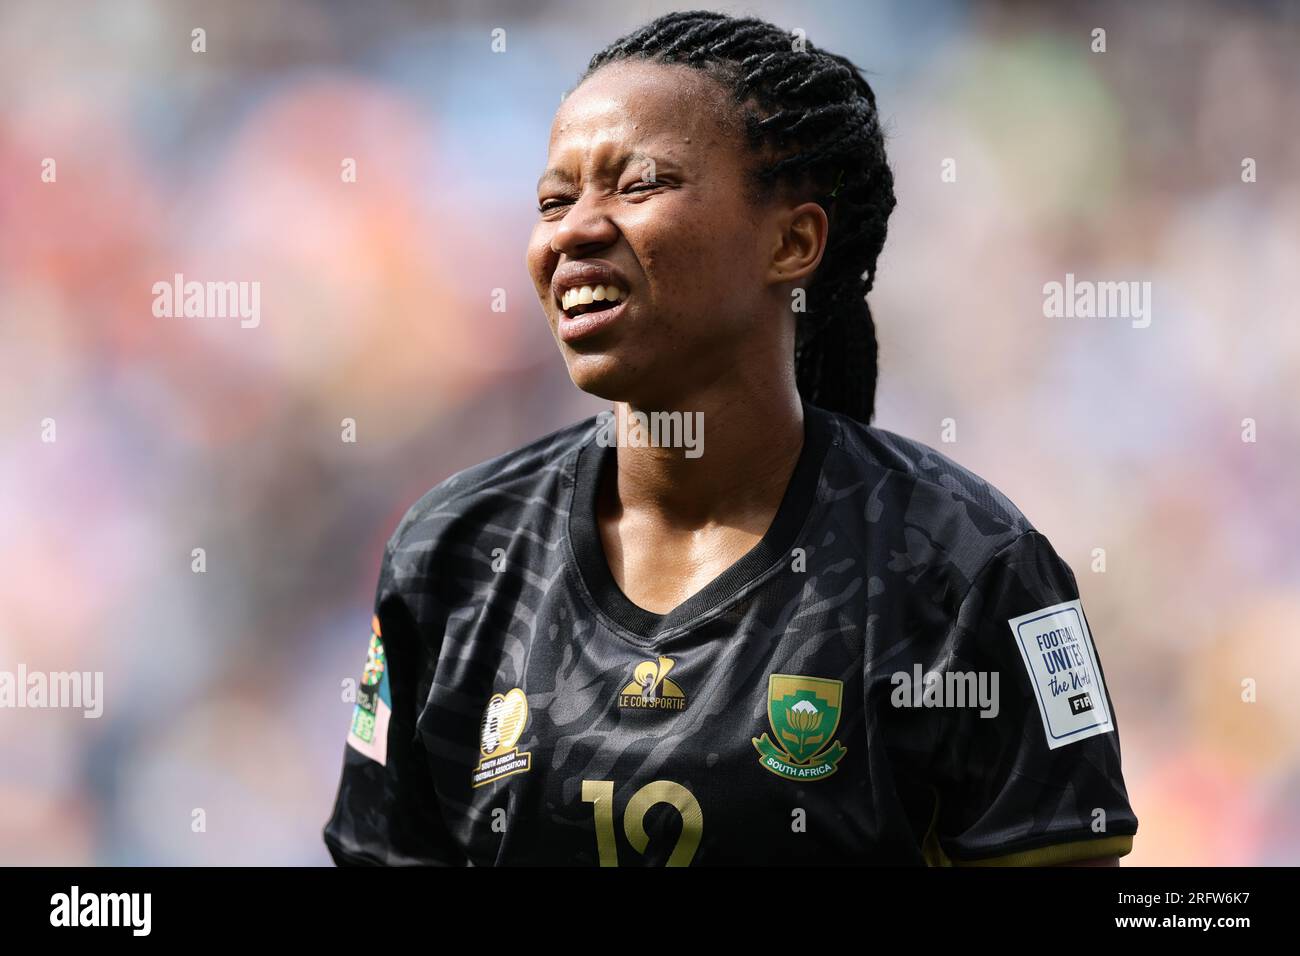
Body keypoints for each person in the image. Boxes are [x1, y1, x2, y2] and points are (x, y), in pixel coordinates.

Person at [323, 9, 1138, 866]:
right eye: (554, 201)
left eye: (638, 187)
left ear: (792, 241)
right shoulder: (454, 554)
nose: (572, 231)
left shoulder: (966, 569)